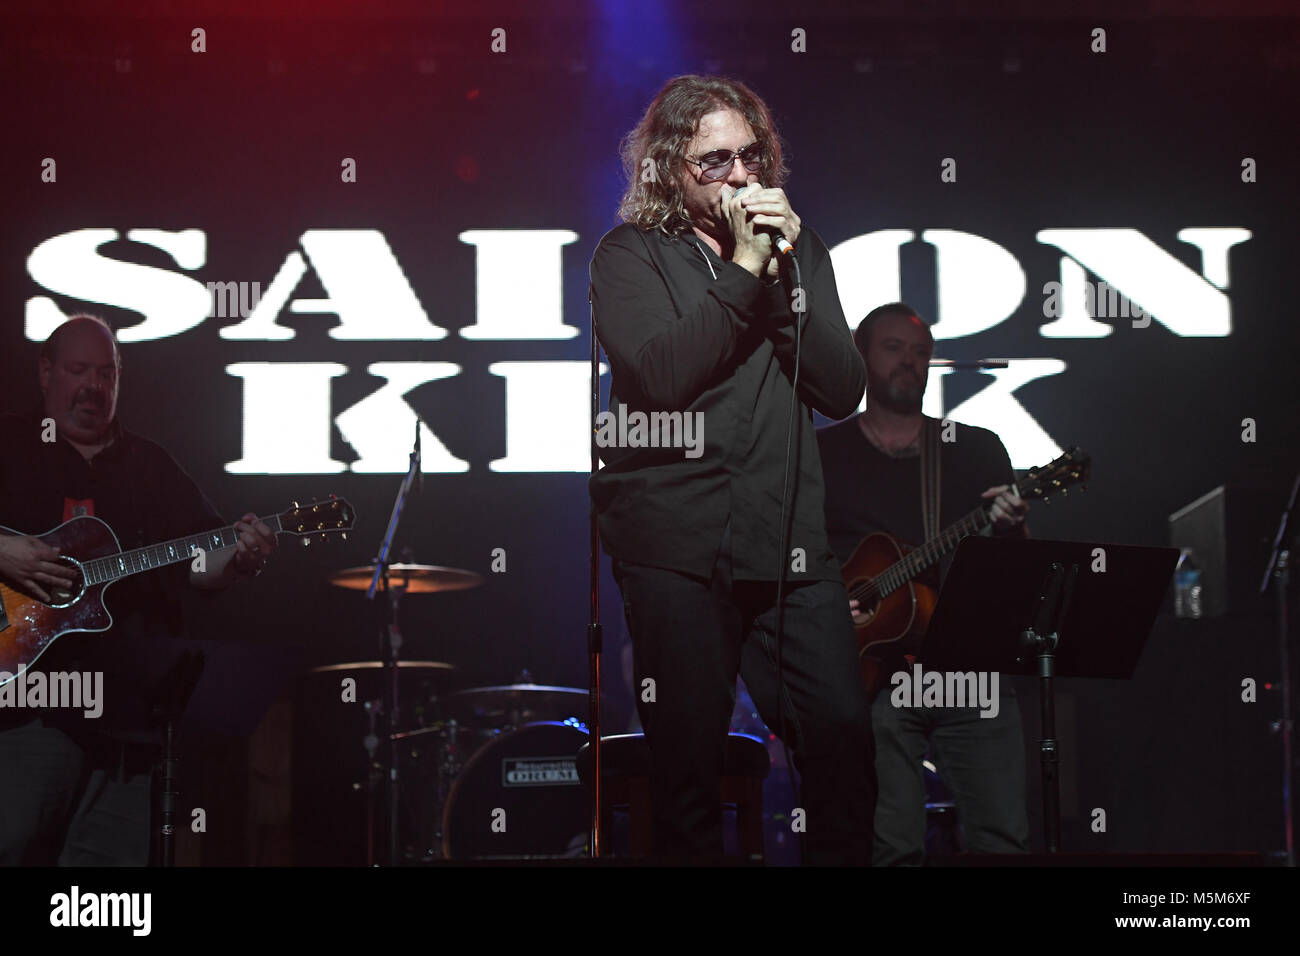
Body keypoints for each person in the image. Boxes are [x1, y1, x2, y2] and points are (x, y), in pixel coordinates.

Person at [589, 74, 873, 864]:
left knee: (844, 738)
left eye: (751, 156)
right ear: (669, 168)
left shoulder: (800, 249)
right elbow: (661, 377)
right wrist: (746, 271)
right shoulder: (631, 256)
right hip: (674, 544)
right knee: (688, 769)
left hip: (785, 539)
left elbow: (840, 386)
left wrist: (779, 276)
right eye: (714, 161)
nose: (741, 176)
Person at [0, 314, 276, 866]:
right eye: (78, 370)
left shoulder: (151, 467)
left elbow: (200, 568)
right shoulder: (8, 443)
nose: (93, 387)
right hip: (24, 711)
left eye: (106, 373)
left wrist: (241, 558)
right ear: (46, 372)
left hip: (128, 722)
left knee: (109, 888)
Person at [817, 301, 1031, 866]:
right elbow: (793, 557)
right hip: (876, 673)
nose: (910, 363)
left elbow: (1014, 572)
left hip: (971, 667)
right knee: (893, 847)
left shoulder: (975, 448)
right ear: (861, 358)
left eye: (921, 353)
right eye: (894, 349)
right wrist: (840, 605)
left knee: (1002, 840)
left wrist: (1014, 528)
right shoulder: (823, 453)